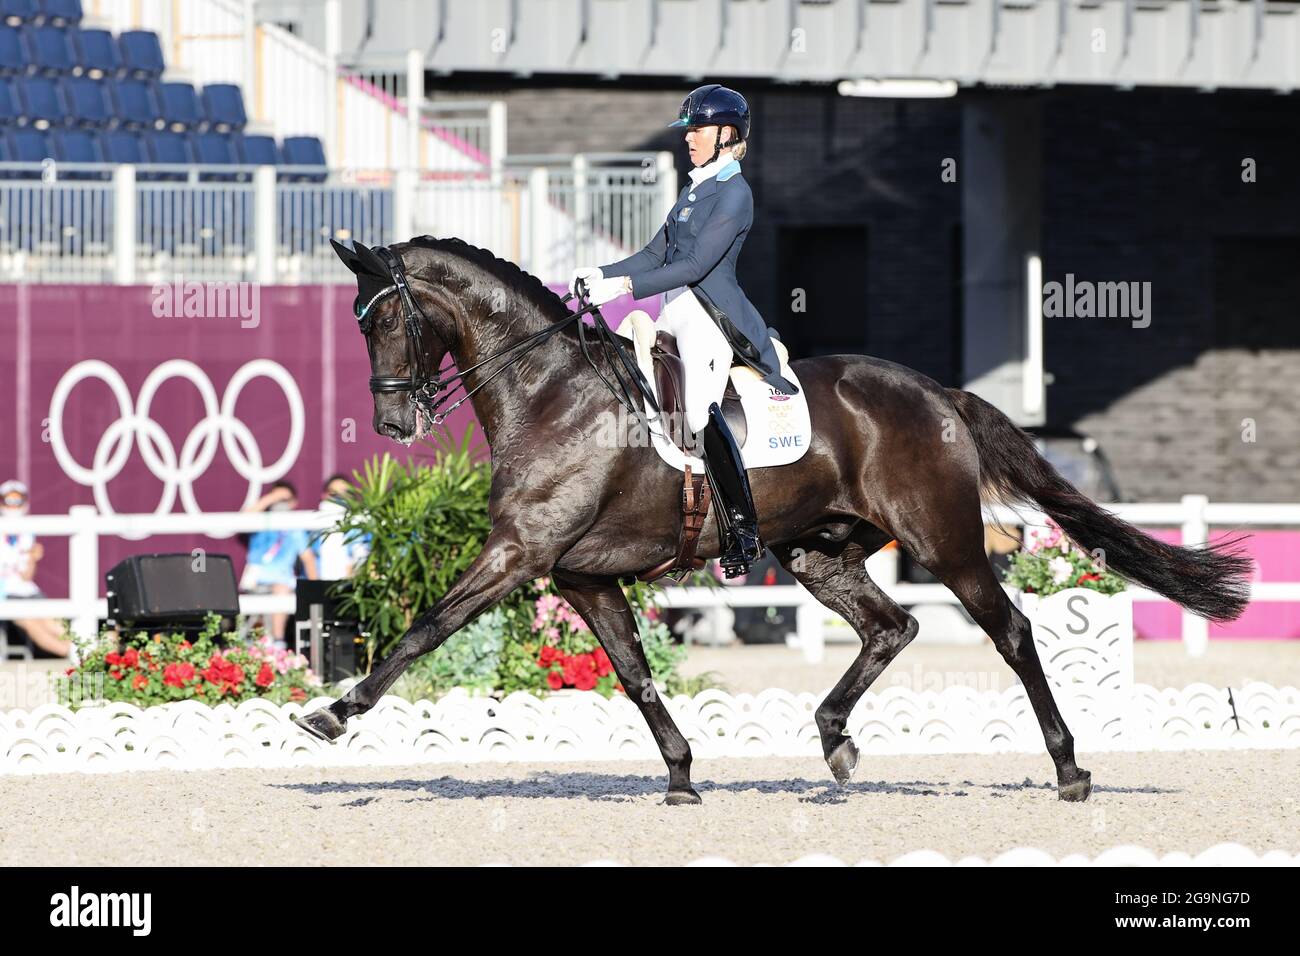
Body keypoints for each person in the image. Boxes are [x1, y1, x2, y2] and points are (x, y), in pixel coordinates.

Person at [568, 83, 797, 578]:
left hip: (709, 318)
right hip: (673, 310)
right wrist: (602, 274)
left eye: (697, 130)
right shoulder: (694, 189)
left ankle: (742, 529)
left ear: (726, 134)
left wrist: (625, 286)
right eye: (688, 130)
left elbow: (693, 265)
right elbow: (656, 255)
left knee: (697, 412)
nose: (688, 138)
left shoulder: (736, 193)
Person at [0, 480, 71, 657]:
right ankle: (78, 658)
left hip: (26, 591)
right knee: (32, 623)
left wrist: (32, 558)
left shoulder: (27, 532)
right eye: (9, 501)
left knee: (55, 624)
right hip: (5, 594)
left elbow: (26, 576)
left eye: (18, 501)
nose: (13, 506)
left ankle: (86, 657)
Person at [241, 480, 317, 642]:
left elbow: (308, 559)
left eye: (285, 500)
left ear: (293, 503)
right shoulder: (261, 521)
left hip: (281, 583)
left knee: (281, 590)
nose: (280, 504)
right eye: (277, 499)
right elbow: (243, 518)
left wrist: (316, 593)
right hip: (254, 582)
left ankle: (278, 640)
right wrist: (273, 497)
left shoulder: (295, 528)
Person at [312, 474, 369, 580]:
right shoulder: (311, 526)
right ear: (324, 495)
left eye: (345, 492)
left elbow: (363, 557)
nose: (339, 497)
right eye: (334, 493)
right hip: (319, 587)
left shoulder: (362, 526)